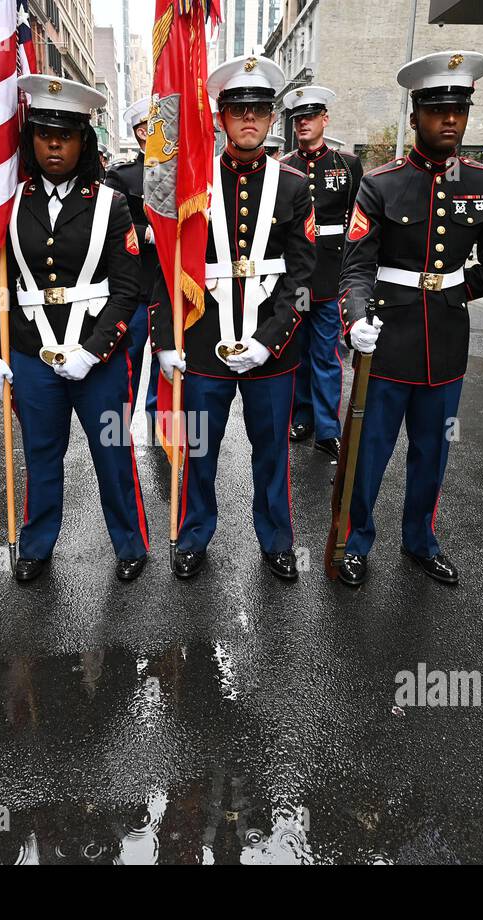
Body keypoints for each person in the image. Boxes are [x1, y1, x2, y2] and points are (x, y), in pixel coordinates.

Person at [336, 49, 483, 588]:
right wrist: (355, 319)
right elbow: (356, 266)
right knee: (369, 454)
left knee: (432, 452)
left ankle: (420, 541)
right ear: (415, 116)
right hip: (388, 340)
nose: (449, 120)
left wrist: (456, 288)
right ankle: (356, 542)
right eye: (437, 110)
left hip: (446, 342)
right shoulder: (382, 183)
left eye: (458, 110)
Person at [148, 54, 317, 581]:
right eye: (238, 109)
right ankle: (195, 533)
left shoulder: (293, 186)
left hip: (273, 347)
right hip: (202, 343)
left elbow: (304, 279)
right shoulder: (191, 182)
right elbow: (167, 264)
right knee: (198, 449)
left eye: (260, 110)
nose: (249, 119)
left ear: (272, 119)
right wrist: (164, 338)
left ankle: (276, 538)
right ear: (220, 117)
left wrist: (271, 341)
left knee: (272, 454)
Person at [0, 75, 148, 583]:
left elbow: (127, 288)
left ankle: (129, 542)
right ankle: (35, 544)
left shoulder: (112, 203)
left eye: (67, 134)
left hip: (97, 359)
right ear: (30, 140)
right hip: (32, 355)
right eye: (45, 133)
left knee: (113, 456)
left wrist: (94, 351)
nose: (55, 143)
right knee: (41, 455)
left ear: (84, 141)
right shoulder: (8, 201)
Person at [281, 85, 363, 460]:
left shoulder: (347, 165)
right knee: (296, 347)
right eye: (298, 118)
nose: (303, 124)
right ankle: (301, 417)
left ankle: (328, 427)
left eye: (310, 117)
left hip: (330, 273)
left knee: (327, 353)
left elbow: (360, 223)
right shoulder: (284, 166)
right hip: (294, 275)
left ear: (324, 120)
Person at [104, 97, 162, 434]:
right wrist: (149, 234)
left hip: (171, 285)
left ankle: (160, 424)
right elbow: (107, 224)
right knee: (127, 364)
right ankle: (120, 428)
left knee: (167, 364)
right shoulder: (123, 176)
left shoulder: (181, 173)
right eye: (155, 125)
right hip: (138, 289)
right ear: (141, 132)